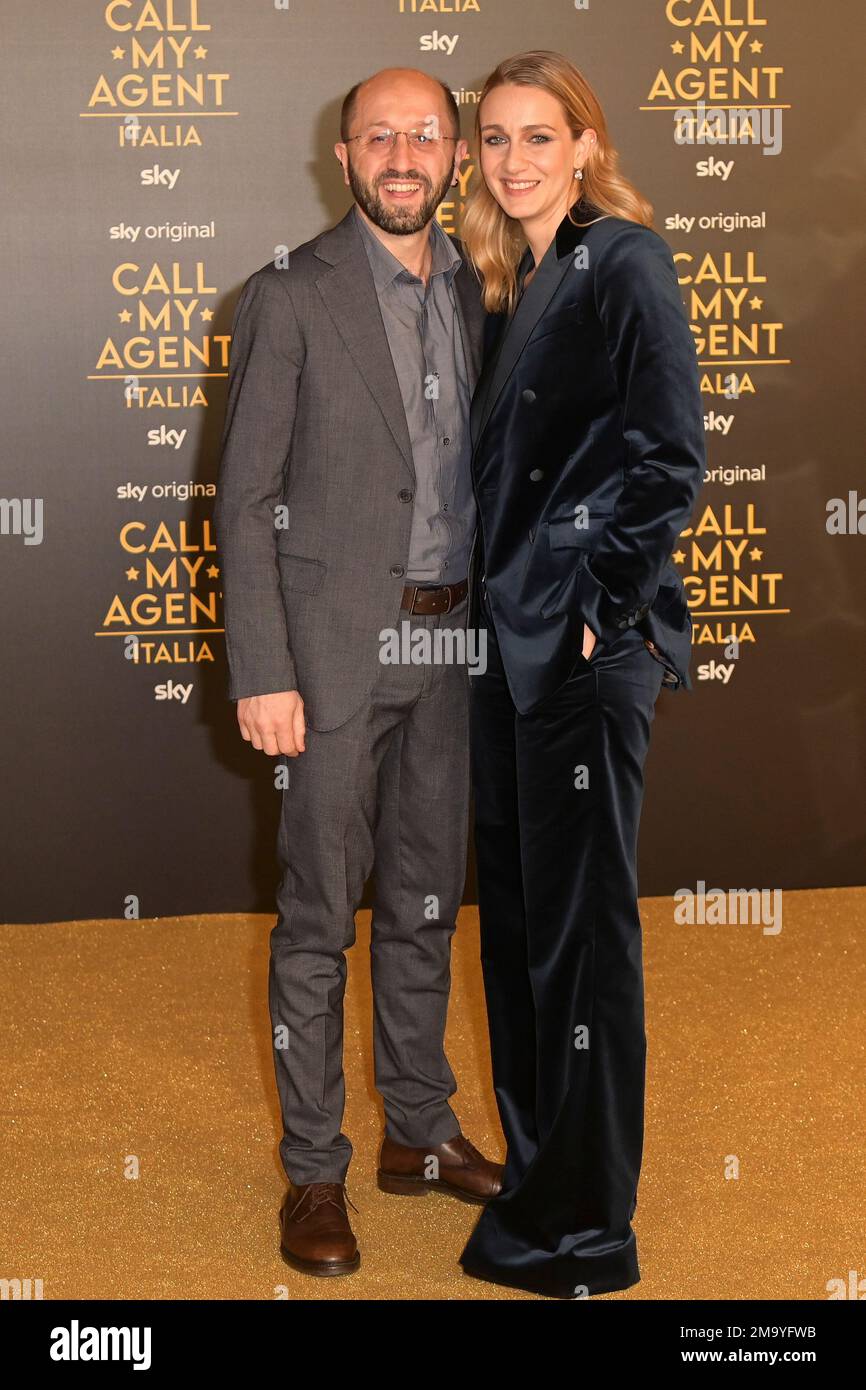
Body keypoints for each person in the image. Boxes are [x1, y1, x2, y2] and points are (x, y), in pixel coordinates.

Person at [215, 66, 502, 1279]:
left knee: (429, 906)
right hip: (331, 658)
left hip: (450, 649)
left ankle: (420, 1136)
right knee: (317, 922)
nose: (401, 154)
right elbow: (243, 501)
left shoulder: (490, 295)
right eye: (376, 136)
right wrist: (263, 669)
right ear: (343, 157)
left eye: (422, 136)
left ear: (455, 160)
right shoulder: (286, 296)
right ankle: (318, 1170)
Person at [456, 50, 706, 1298]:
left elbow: (668, 458)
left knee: (580, 945)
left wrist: (604, 609)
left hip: (580, 651)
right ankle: (539, 1175)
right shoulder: (519, 273)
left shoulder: (624, 260)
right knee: (517, 932)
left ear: (585, 143)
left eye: (536, 137)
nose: (512, 161)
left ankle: (587, 1232)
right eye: (494, 139)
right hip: (508, 653)